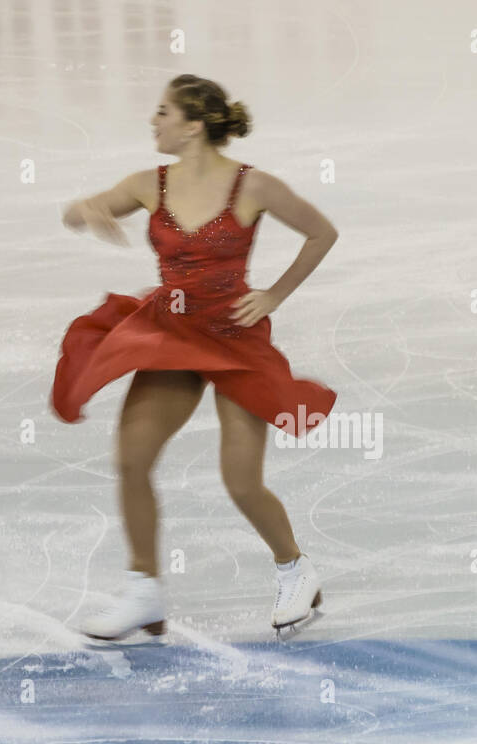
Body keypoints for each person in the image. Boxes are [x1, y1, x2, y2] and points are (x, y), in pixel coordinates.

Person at [51, 74, 338, 639]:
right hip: (172, 335)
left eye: (163, 113)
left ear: (193, 125)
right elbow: (75, 212)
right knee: (132, 458)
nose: (153, 122)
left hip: (233, 334)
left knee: (240, 478)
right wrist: (88, 211)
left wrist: (274, 295)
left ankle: (295, 569)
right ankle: (144, 591)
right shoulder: (147, 184)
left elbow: (321, 233)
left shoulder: (253, 186)